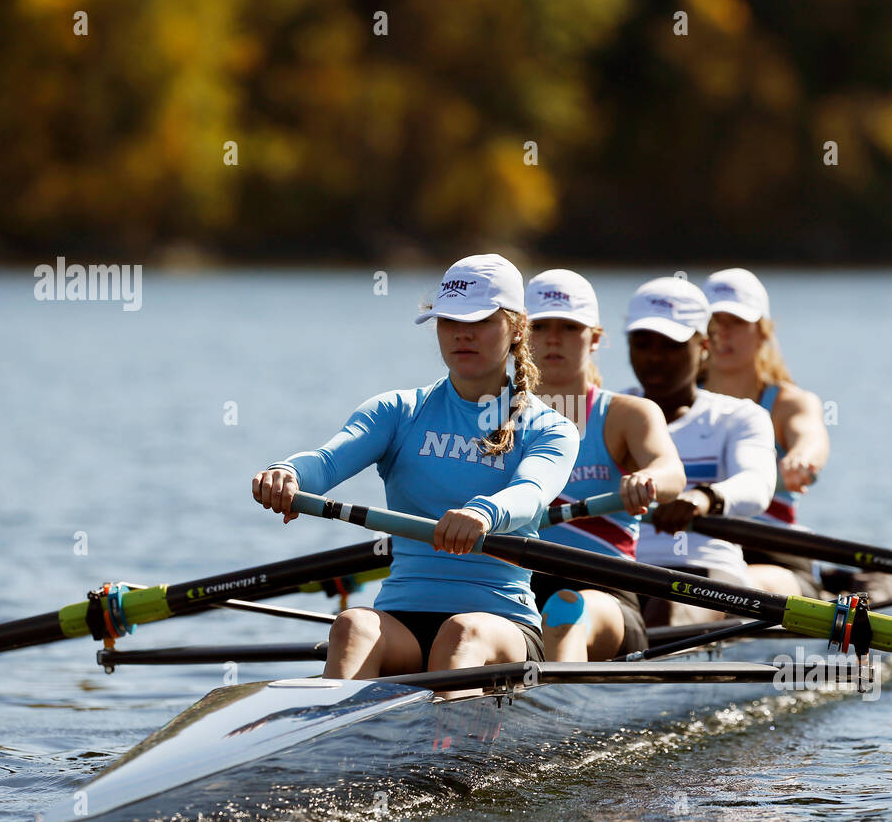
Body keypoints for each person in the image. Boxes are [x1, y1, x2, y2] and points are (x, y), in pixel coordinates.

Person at [252, 254, 578, 680]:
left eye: (479, 321)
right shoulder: (397, 411)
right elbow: (326, 462)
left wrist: (483, 513)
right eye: (449, 321)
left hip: (499, 624)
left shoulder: (551, 427)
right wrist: (288, 474)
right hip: (404, 618)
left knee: (461, 633)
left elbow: (532, 493)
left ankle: (447, 743)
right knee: (352, 624)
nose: (462, 334)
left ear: (516, 328)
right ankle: (337, 736)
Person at [525, 269, 687, 661]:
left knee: (564, 607)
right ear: (520, 335)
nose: (552, 339)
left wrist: (648, 477)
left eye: (569, 327)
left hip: (604, 595)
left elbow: (672, 472)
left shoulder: (627, 415)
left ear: (595, 338)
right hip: (516, 591)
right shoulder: (492, 417)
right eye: (540, 326)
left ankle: (555, 717)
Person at [626, 277, 777, 626]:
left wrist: (703, 498)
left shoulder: (740, 416)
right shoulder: (606, 412)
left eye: (671, 345)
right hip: (615, 568)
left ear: (704, 346)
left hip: (707, 572)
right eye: (642, 342)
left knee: (664, 614)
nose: (655, 357)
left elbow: (757, 484)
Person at [700, 268, 830, 598]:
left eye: (736, 322)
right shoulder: (669, 404)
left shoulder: (789, 404)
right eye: (714, 322)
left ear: (763, 332)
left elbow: (810, 437)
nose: (722, 333)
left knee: (725, 583)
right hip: (697, 547)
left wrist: (801, 460)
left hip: (774, 554)